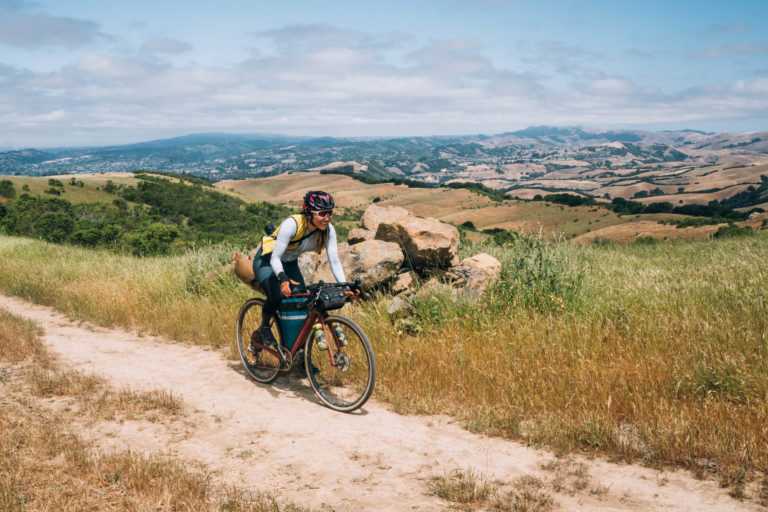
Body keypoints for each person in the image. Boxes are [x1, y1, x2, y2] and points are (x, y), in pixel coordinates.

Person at [250, 190, 358, 349]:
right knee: (277, 294)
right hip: (267, 260)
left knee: (305, 301)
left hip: (290, 263)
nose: (327, 217)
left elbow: (334, 260)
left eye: (330, 213)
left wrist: (344, 285)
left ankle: (296, 352)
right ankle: (265, 327)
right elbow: (275, 258)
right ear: (309, 213)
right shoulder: (292, 224)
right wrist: (282, 278)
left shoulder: (328, 230)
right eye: (322, 213)